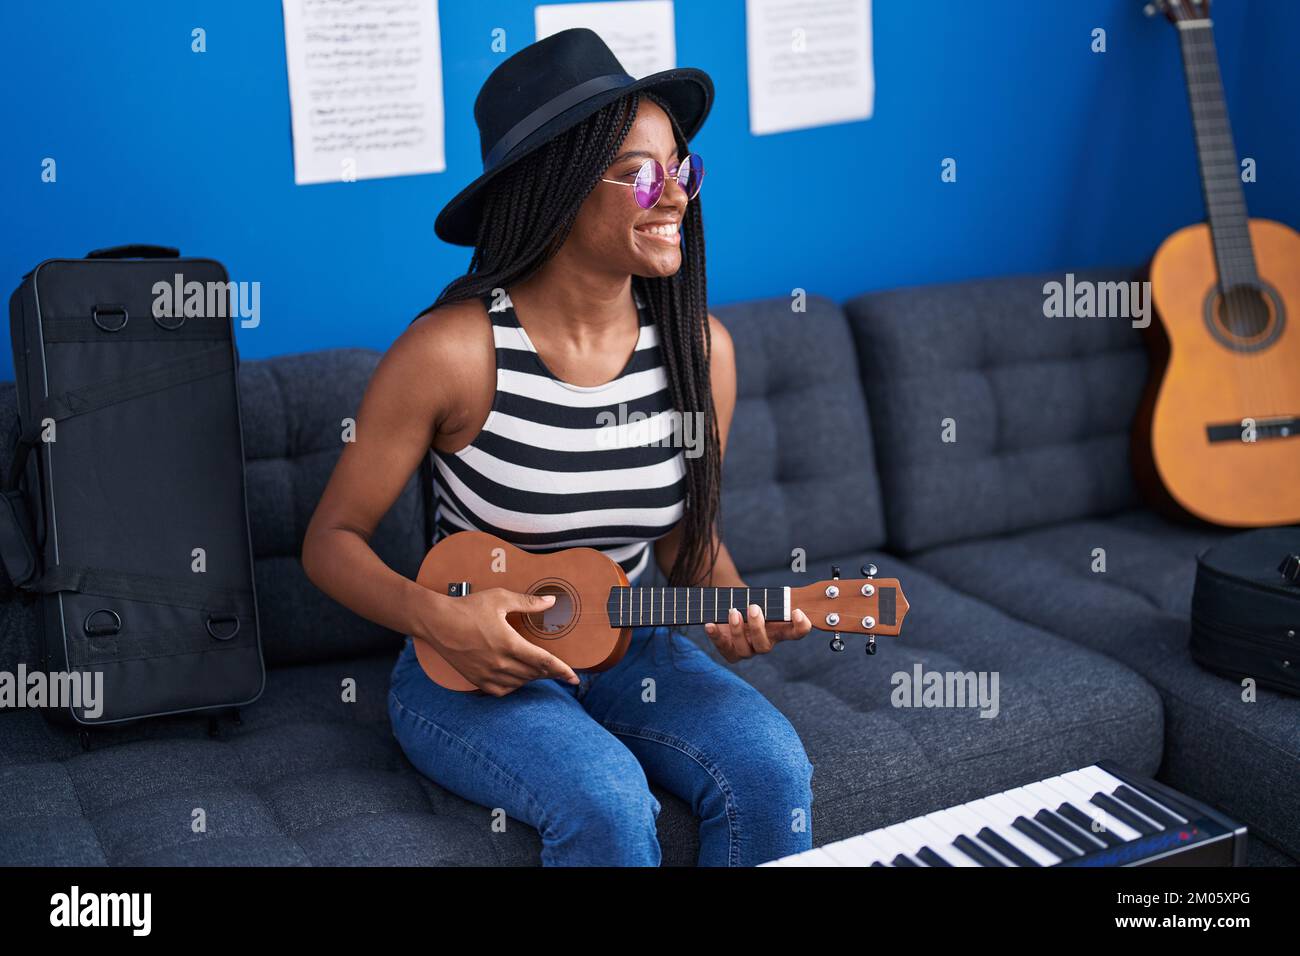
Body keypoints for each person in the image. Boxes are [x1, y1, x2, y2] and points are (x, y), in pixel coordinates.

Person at [302, 28, 814, 866]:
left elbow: (689, 540)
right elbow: (329, 543)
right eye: (643, 173)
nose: (676, 194)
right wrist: (441, 618)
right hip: (467, 667)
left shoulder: (700, 353)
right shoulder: (451, 353)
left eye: (682, 167)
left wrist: (732, 607)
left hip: (632, 641)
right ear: (560, 186)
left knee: (771, 771)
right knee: (608, 802)